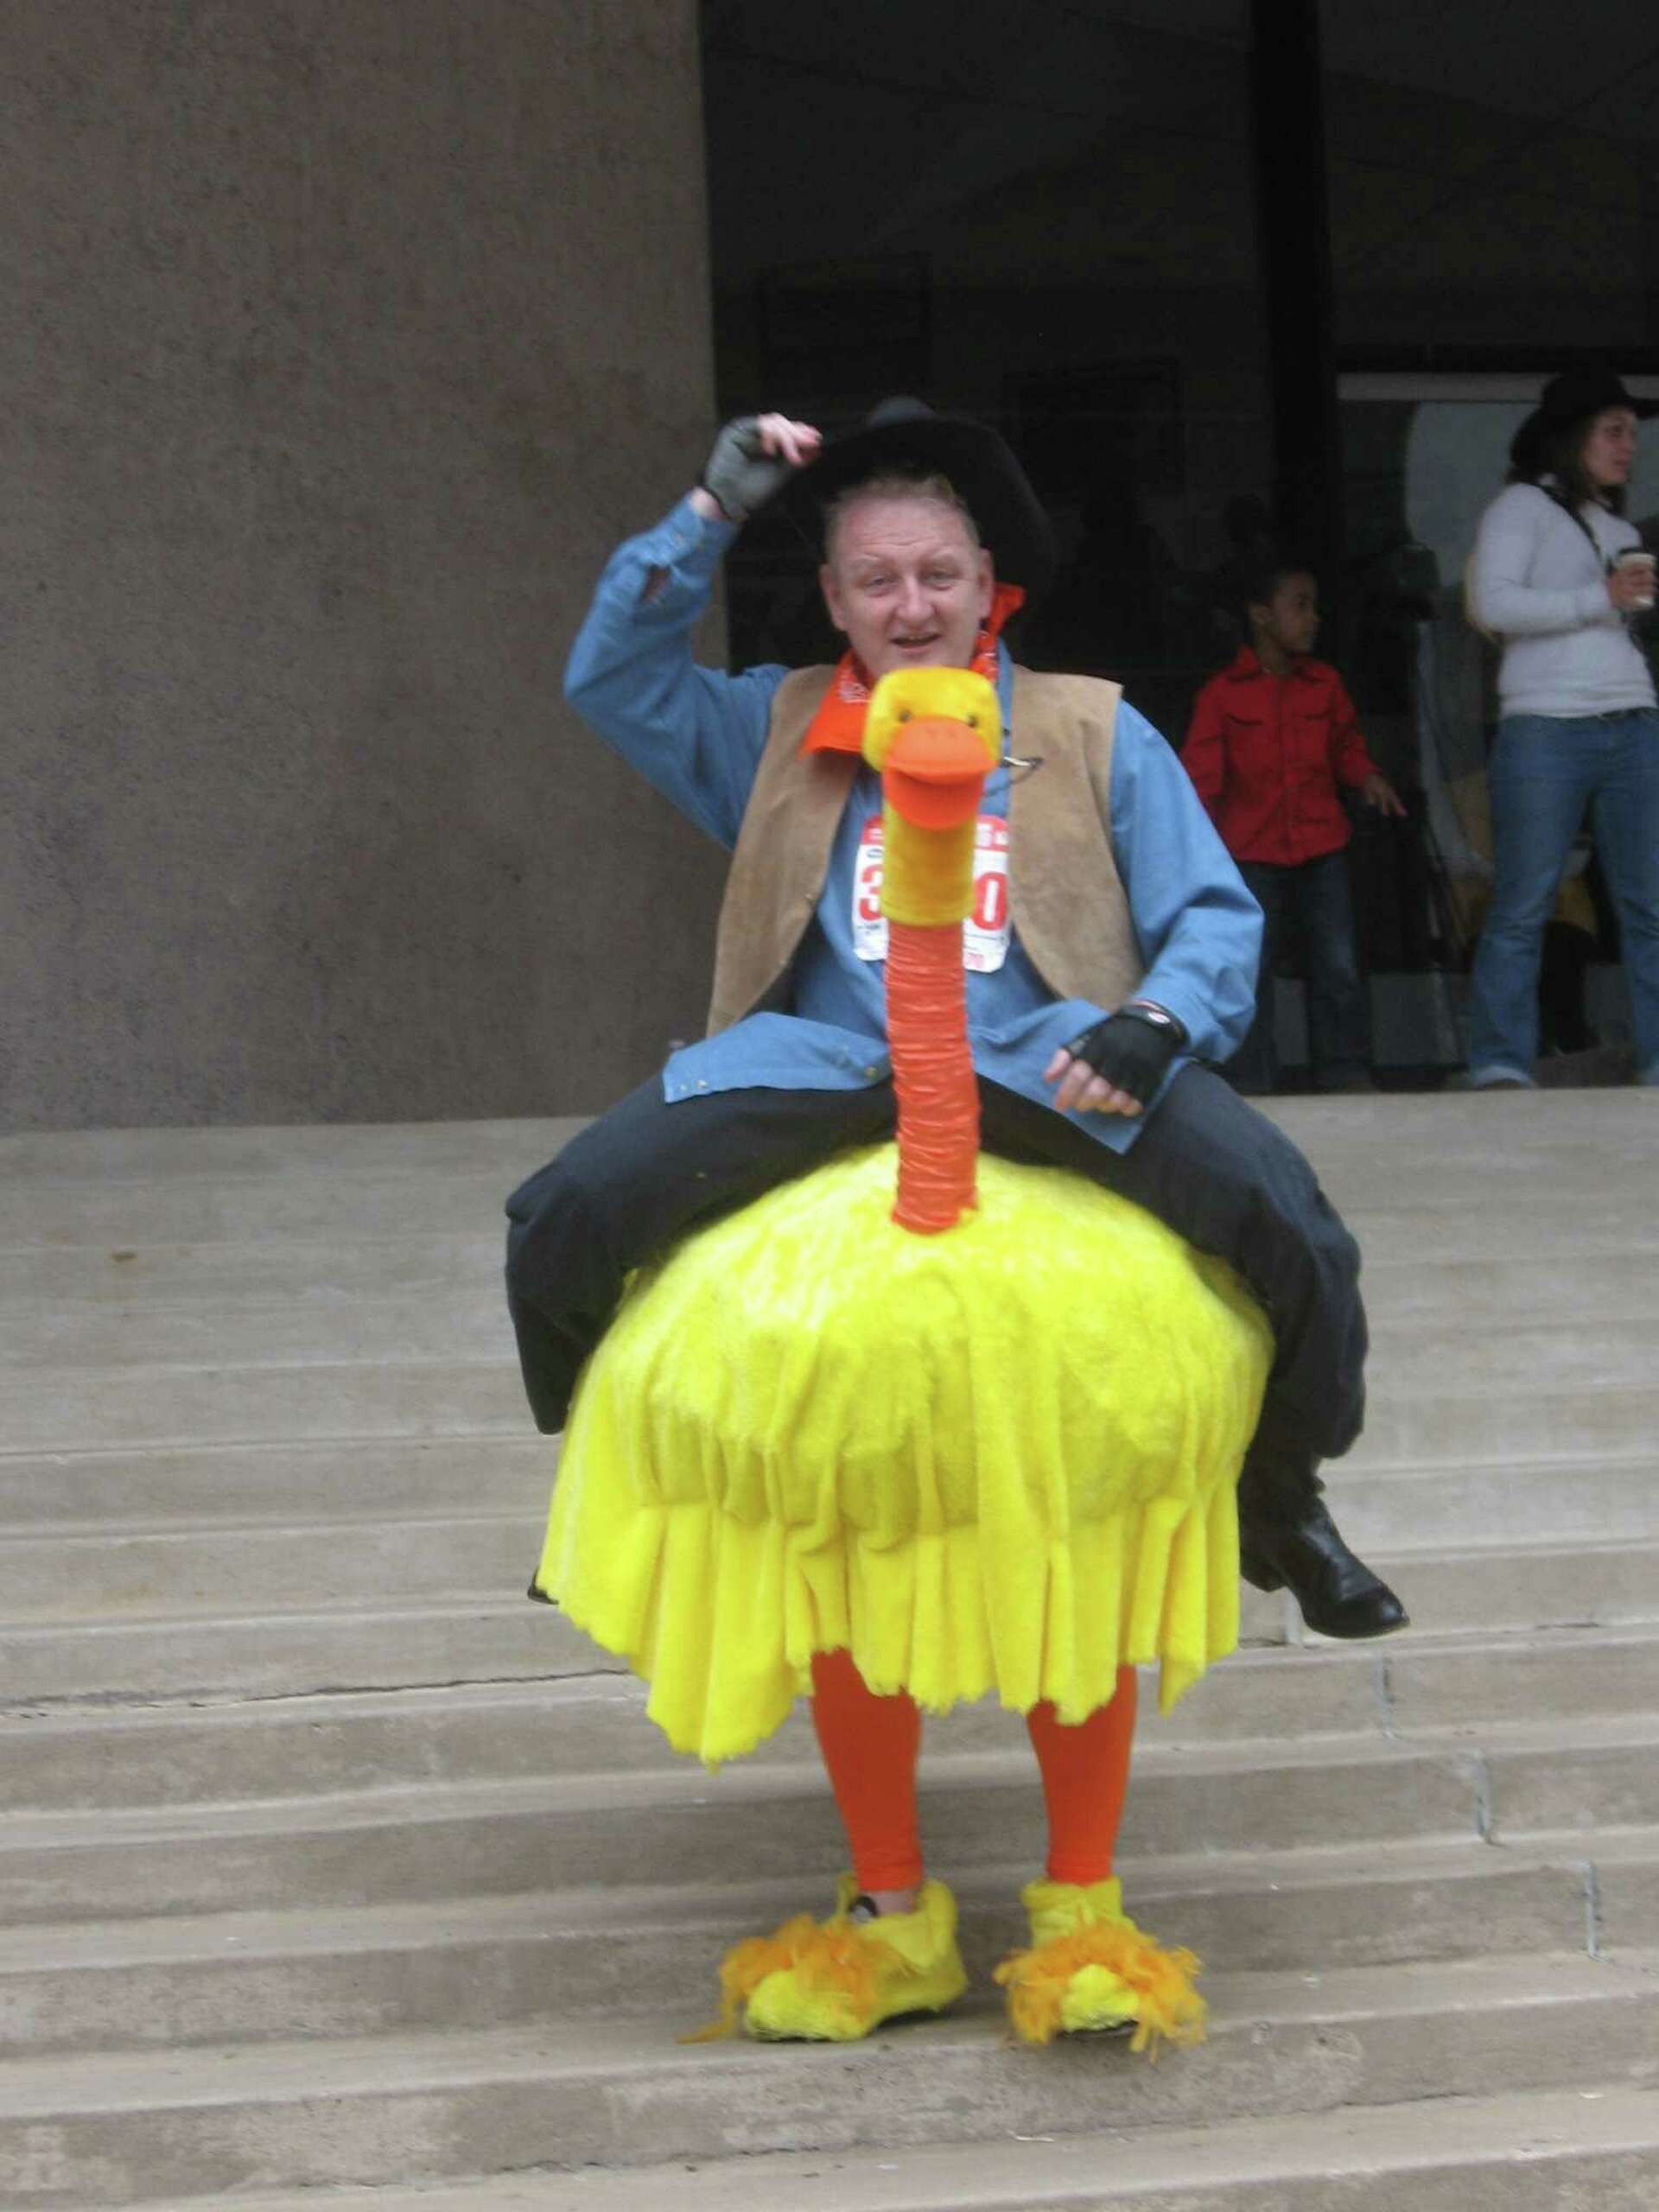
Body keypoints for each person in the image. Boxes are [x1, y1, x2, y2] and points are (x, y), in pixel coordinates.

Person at [508, 404, 1407, 1656]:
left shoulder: (1091, 724)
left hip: (1048, 1057)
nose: (912, 604)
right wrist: (710, 511)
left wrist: (1155, 1020)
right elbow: (610, 675)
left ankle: (1282, 1496)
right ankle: (606, 1487)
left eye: (939, 574)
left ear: (992, 584)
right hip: (820, 1065)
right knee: (559, 1220)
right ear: (833, 598)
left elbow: (1212, 911)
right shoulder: (771, 727)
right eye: (877, 579)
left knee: (1292, 1222)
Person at [1465, 366, 1659, 1090]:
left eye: (1633, 434)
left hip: (1632, 719)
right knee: (1525, 899)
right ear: (1573, 436)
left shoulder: (1615, 525)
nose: (1627, 447)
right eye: (1613, 431)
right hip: (1547, 725)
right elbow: (1495, 605)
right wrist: (1597, 596)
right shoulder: (1521, 507)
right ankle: (1499, 1061)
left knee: (1649, 905)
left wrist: (1618, 604)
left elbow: (1602, 618)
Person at [1181, 557, 1406, 1094]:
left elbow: (1347, 749)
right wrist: (1194, 853)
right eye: (1299, 605)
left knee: (1339, 965)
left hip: (1321, 844)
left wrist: (1368, 777)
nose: (1314, 618)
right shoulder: (1222, 694)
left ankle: (1346, 1072)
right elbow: (1200, 780)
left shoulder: (1325, 685)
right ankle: (1252, 1081)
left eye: (1314, 606)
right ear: (1261, 615)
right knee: (1248, 974)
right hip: (1249, 852)